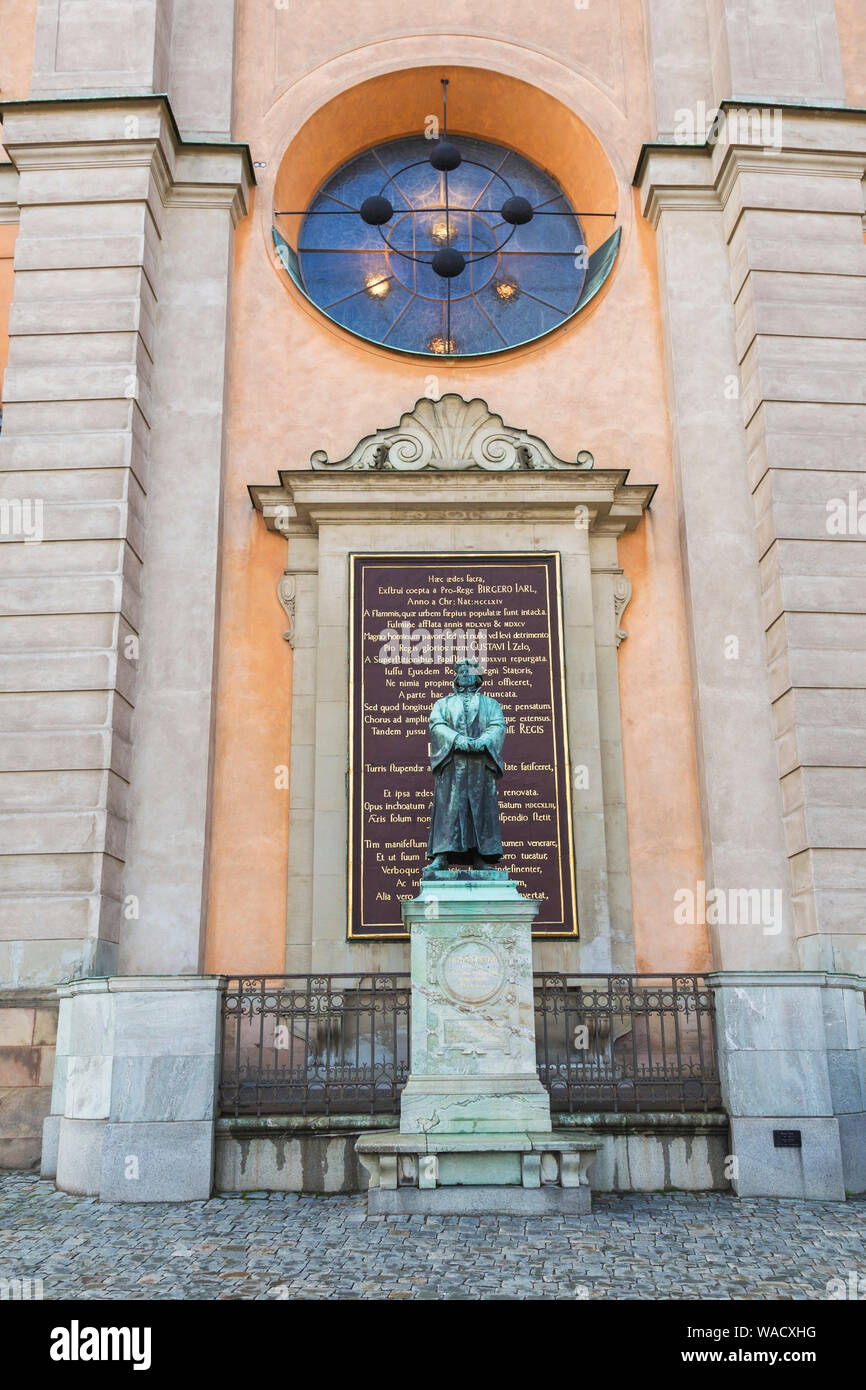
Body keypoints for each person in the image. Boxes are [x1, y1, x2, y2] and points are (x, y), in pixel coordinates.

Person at [425, 659, 506, 871]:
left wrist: (484, 741)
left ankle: (480, 856)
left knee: (480, 810)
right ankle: (442, 855)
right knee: (449, 809)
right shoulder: (443, 704)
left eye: (468, 672)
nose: (464, 675)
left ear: (478, 677)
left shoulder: (491, 705)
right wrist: (456, 739)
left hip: (480, 766)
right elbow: (437, 725)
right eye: (460, 671)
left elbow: (497, 726)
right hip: (453, 764)